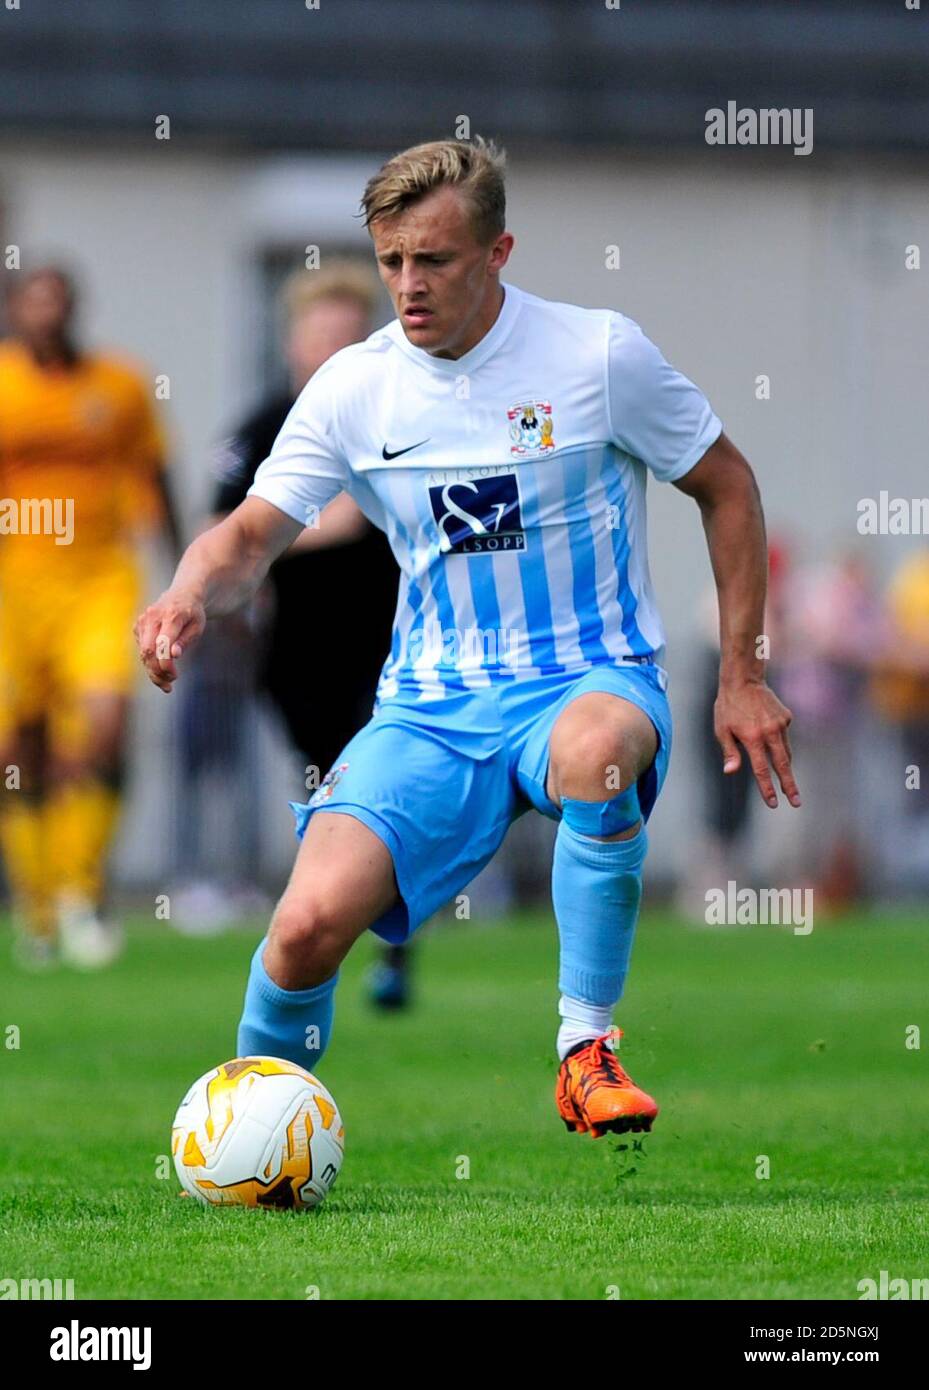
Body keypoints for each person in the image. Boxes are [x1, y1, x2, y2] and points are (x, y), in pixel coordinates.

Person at [136, 138, 799, 1140]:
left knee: (597, 754)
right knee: (306, 928)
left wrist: (741, 673)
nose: (407, 285)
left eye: (433, 261)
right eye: (392, 259)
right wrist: (188, 593)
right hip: (430, 709)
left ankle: (584, 1051)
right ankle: (252, 1130)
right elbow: (249, 532)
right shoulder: (355, 388)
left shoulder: (596, 355)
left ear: (496, 253)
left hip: (588, 676)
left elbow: (727, 482)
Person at [204, 263, 404, 1000]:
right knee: (321, 785)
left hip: (393, 644)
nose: (336, 348)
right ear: (293, 342)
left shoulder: (404, 419)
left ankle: (383, 944)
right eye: (323, 334)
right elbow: (220, 529)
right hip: (299, 650)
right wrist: (312, 529)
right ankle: (318, 936)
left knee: (377, 786)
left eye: (351, 334)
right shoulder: (262, 429)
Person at [0, 266, 181, 968]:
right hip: (16, 582)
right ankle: (37, 905)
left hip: (101, 577)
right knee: (20, 747)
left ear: (75, 308)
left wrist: (185, 579)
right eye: (32, 303)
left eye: (57, 302)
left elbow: (156, 475)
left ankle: (80, 890)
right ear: (17, 311)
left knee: (104, 727)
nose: (45, 315)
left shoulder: (120, 385)